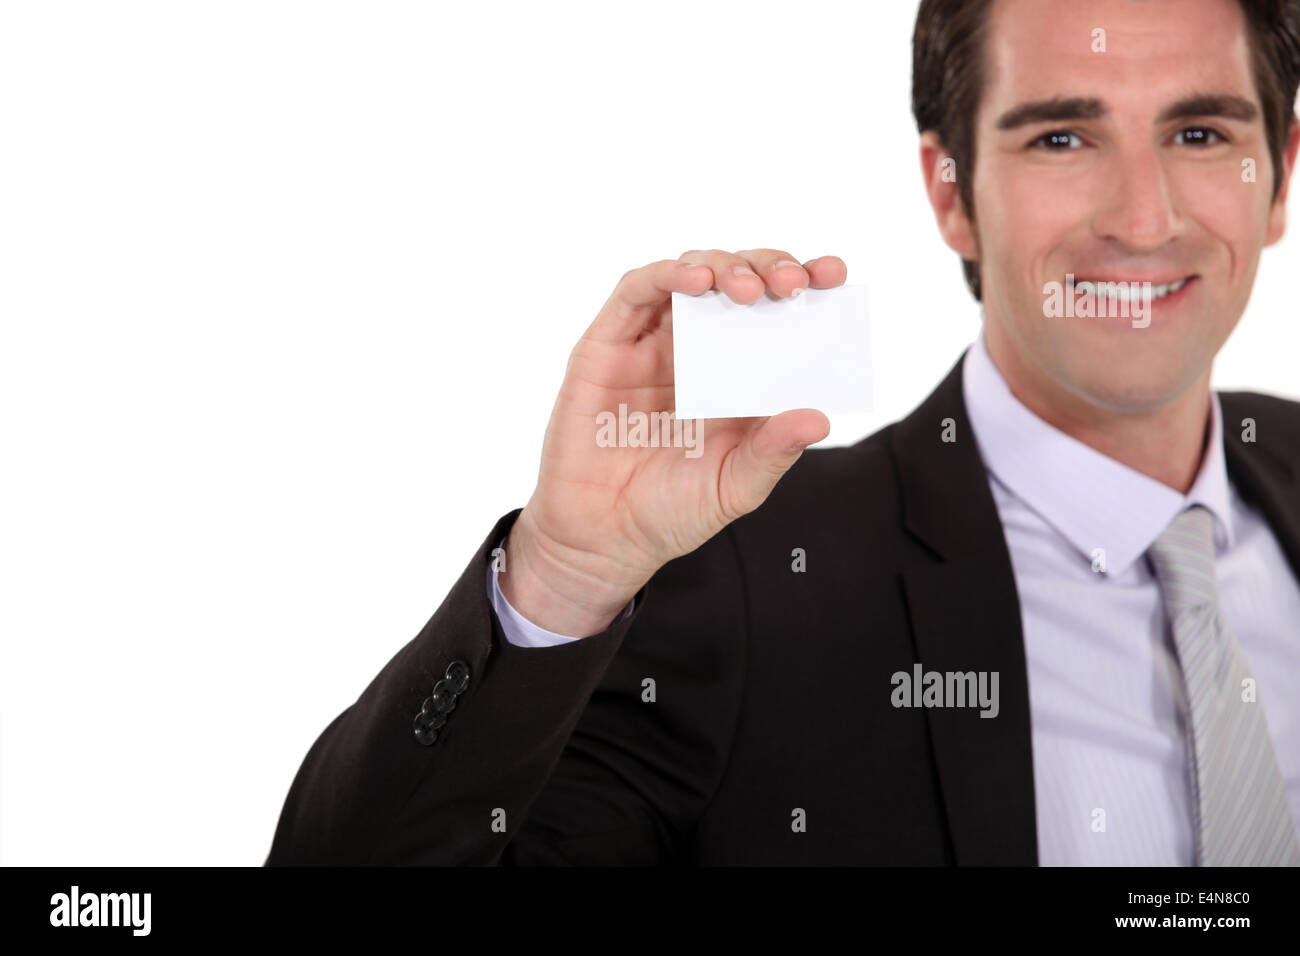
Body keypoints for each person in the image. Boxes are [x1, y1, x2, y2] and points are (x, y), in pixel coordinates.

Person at [266, 0, 1300, 865]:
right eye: (1061, 138)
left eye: (1199, 134)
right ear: (952, 194)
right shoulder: (744, 574)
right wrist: (563, 576)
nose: (1142, 216)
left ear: (1280, 177)